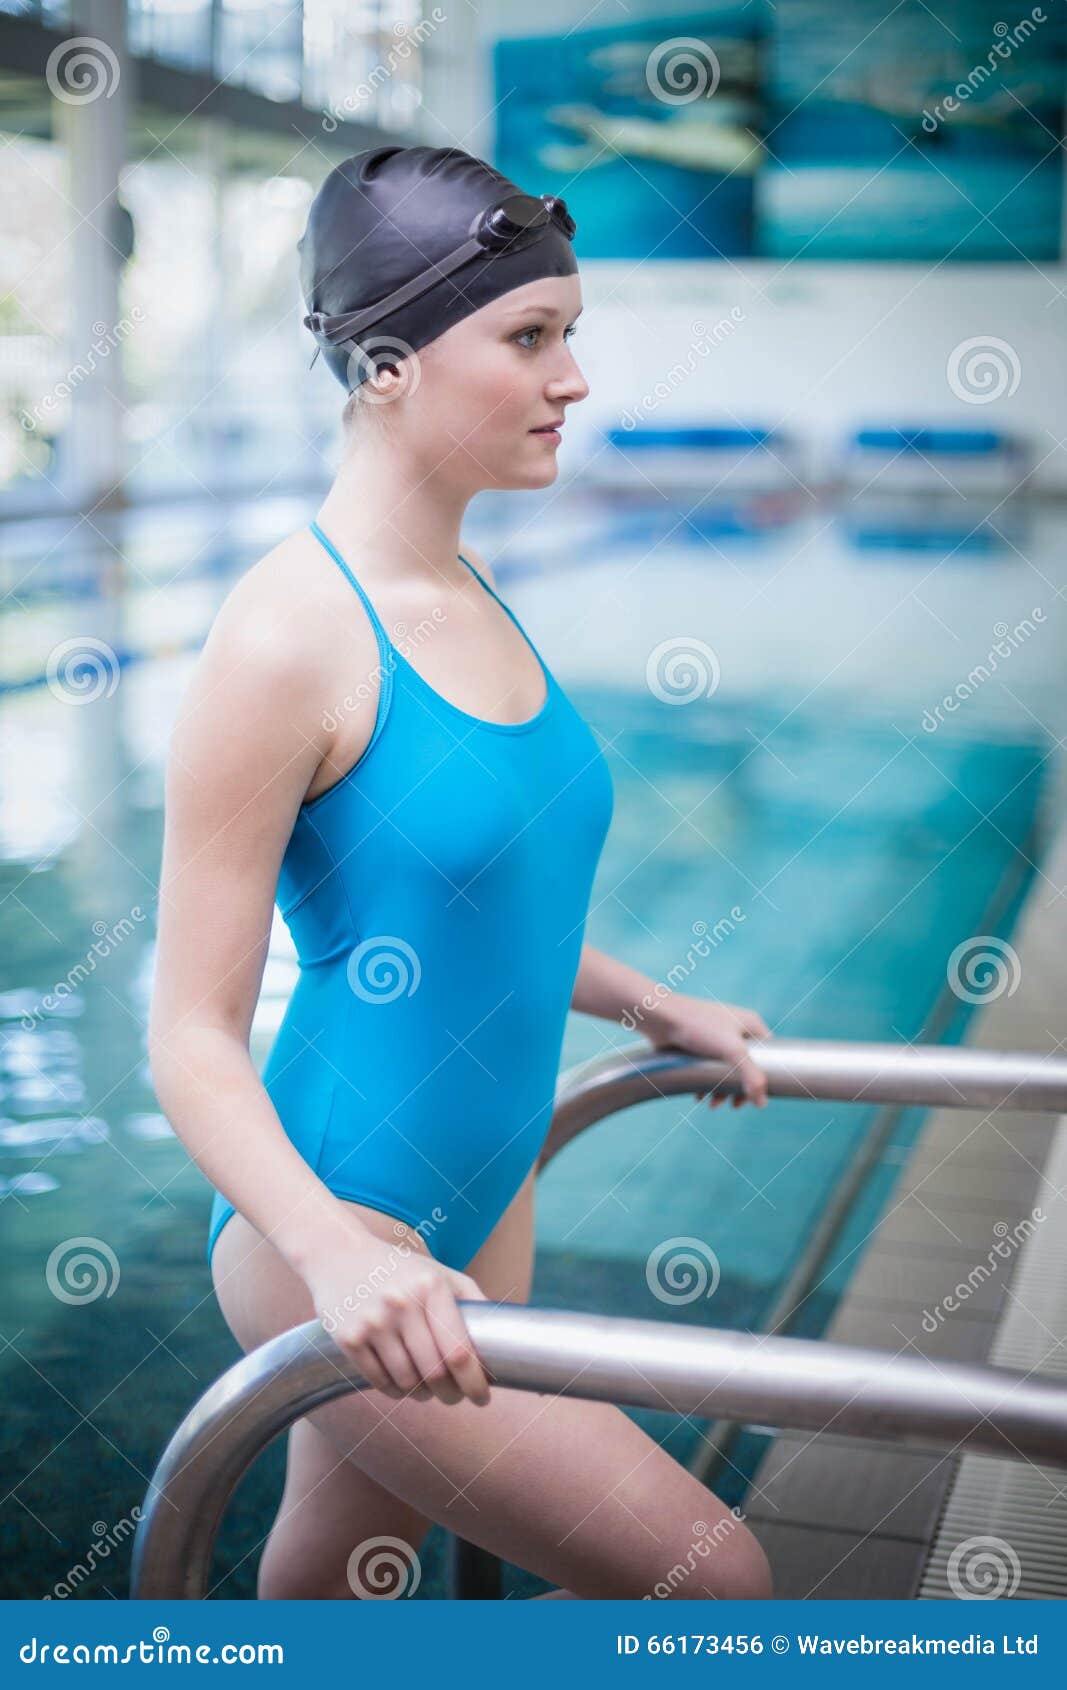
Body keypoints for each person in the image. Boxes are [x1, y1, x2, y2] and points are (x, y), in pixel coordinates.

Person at [148, 144, 774, 1601]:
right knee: (716, 1576)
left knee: (352, 1552)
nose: (575, 378)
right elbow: (185, 1034)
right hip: (337, 1219)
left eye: (571, 334)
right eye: (530, 336)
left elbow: (479, 906)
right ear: (387, 365)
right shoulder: (285, 636)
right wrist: (333, 1260)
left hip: (485, 1190)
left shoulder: (472, 586)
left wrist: (650, 1002)